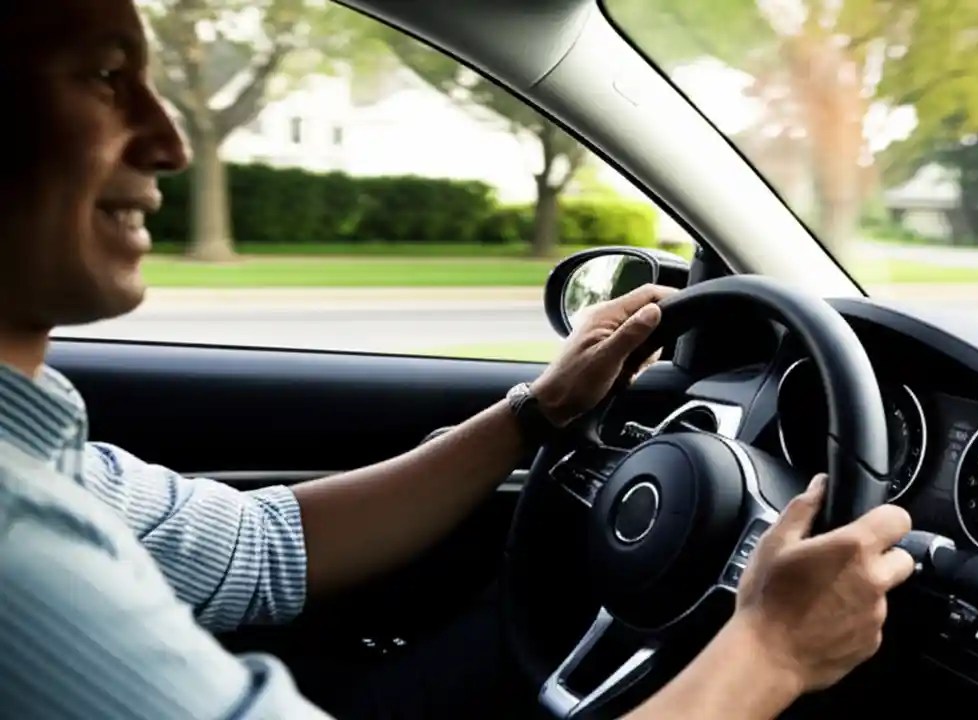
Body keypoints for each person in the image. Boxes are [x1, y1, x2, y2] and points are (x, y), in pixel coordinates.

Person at [0, 0, 917, 718]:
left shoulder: (37, 457)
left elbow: (260, 549)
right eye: (106, 77)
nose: (170, 142)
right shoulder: (13, 546)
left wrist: (535, 416)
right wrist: (771, 651)